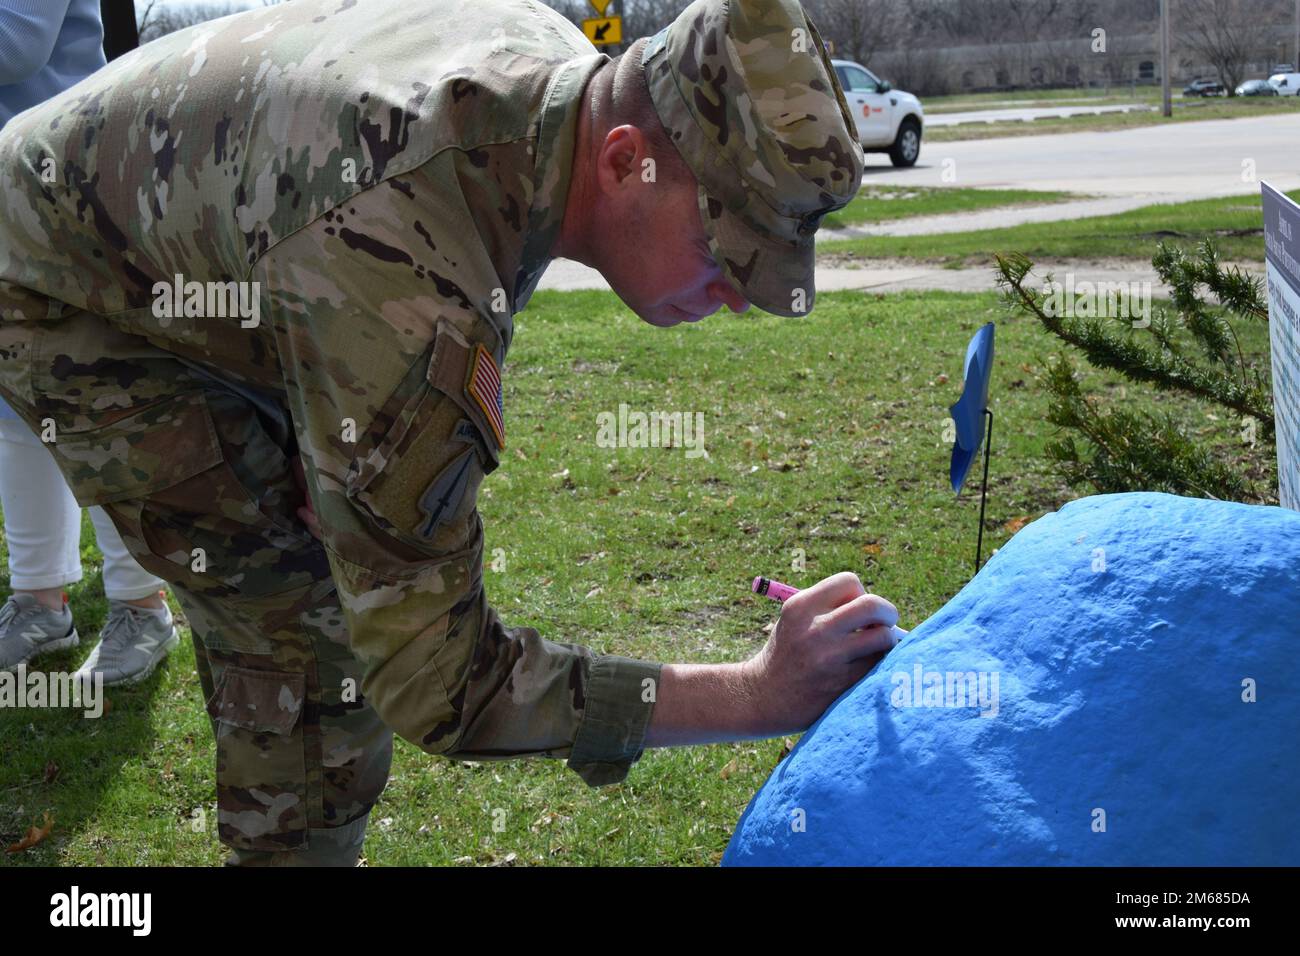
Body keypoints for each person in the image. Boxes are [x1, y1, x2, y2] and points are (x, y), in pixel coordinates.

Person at [0, 0, 896, 866]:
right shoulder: (408, 243)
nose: (740, 296)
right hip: (61, 287)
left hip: (226, 248)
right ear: (626, 162)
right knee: (308, 645)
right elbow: (441, 686)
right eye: (726, 251)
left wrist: (347, 454)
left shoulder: (549, 89)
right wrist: (756, 692)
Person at [0, 0, 177, 685]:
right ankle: (38, 600)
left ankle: (142, 607)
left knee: (93, 404)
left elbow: (17, 45)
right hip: (11, 202)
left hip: (59, 192)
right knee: (14, 414)